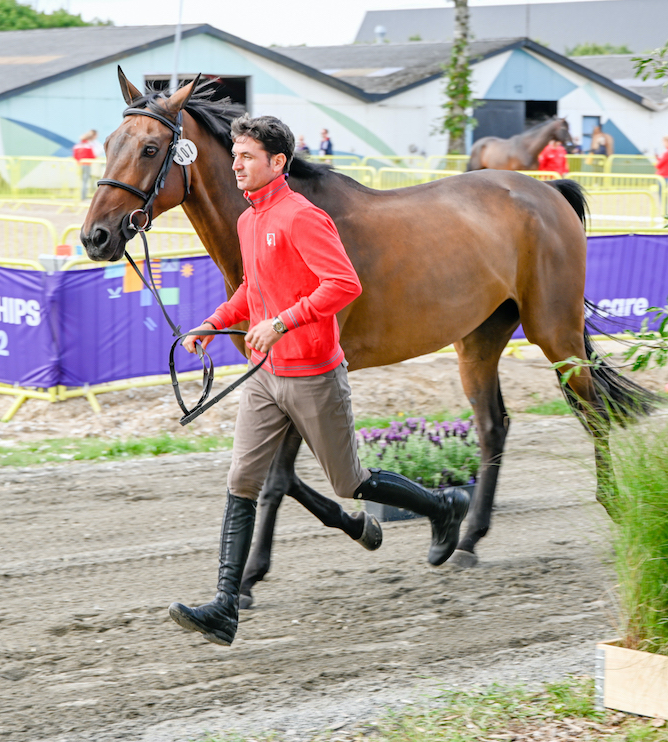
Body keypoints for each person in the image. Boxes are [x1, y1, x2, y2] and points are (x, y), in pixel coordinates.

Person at [167, 114, 469, 647]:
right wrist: (213, 324)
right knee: (242, 480)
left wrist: (283, 322)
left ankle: (443, 507)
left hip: (314, 375)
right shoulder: (249, 221)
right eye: (235, 156)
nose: (236, 166)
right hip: (265, 376)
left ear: (277, 162)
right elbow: (253, 289)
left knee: (350, 482)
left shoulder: (303, 217)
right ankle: (224, 608)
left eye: (247, 157)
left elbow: (344, 284)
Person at [72, 129, 100, 200]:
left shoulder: (77, 146)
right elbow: (92, 156)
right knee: (85, 181)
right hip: (87, 165)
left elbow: (75, 156)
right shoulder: (88, 146)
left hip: (79, 165)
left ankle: (81, 196)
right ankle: (83, 197)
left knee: (81, 181)